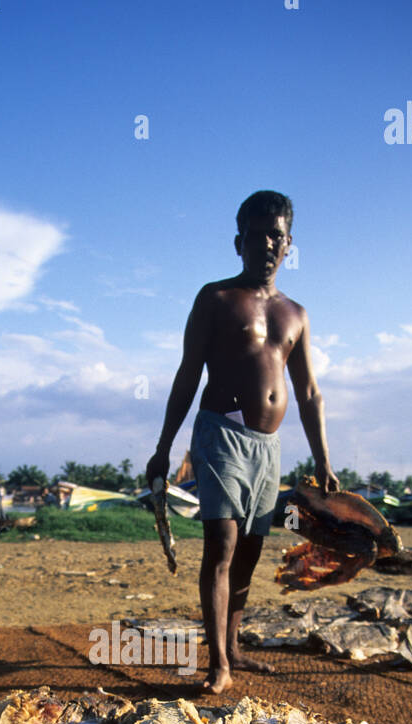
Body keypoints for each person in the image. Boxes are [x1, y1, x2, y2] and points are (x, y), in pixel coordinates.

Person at [145, 190, 339, 693]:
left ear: (289, 244)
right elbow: (188, 374)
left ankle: (233, 646)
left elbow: (309, 391)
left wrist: (324, 460)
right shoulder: (217, 298)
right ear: (239, 242)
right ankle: (218, 667)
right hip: (221, 434)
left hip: (267, 448)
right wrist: (164, 447)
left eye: (276, 235)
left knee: (251, 549)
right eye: (256, 236)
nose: (267, 244)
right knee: (223, 543)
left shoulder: (296, 313)